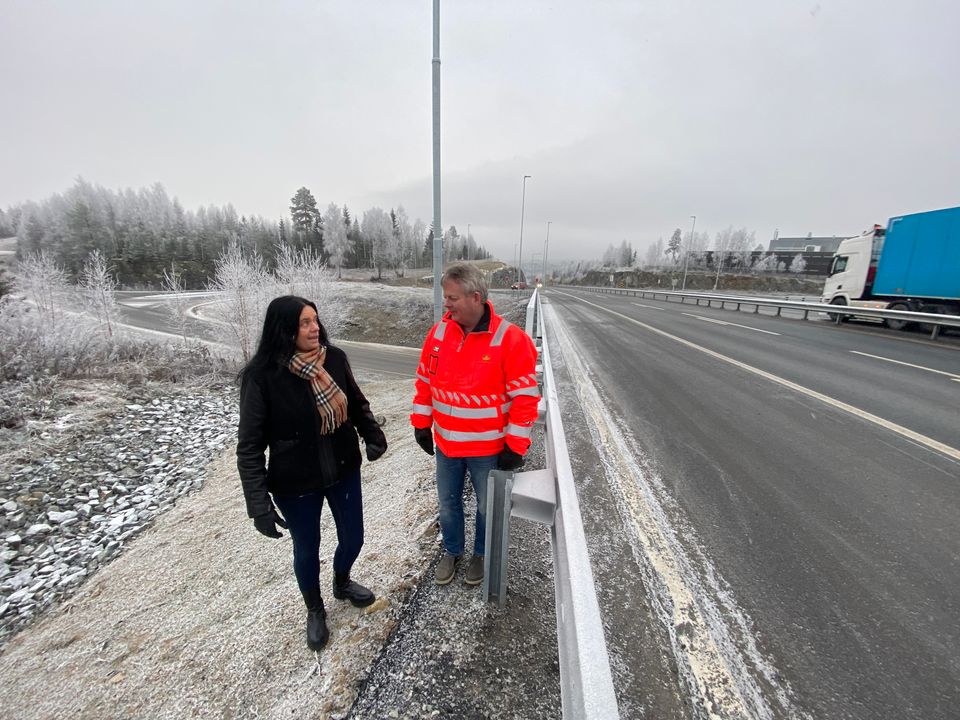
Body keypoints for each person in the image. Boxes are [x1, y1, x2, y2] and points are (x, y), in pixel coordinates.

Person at [237, 295, 387, 651]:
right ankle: (315, 609)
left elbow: (356, 403)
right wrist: (258, 504)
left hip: (343, 466)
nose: (314, 328)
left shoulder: (334, 359)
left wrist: (372, 434)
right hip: (295, 480)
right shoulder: (261, 377)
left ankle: (342, 582)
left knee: (354, 538)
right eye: (304, 323)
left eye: (315, 320)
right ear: (285, 330)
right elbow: (250, 446)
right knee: (307, 549)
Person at [410, 263, 540, 586]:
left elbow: (525, 399)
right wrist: (421, 423)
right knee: (447, 504)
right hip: (447, 446)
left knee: (487, 506)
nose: (446, 304)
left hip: (487, 449)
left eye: (452, 298)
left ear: (475, 297)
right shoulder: (438, 334)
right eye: (445, 297)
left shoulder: (511, 340)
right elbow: (425, 382)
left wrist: (516, 446)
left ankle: (482, 553)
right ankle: (452, 550)